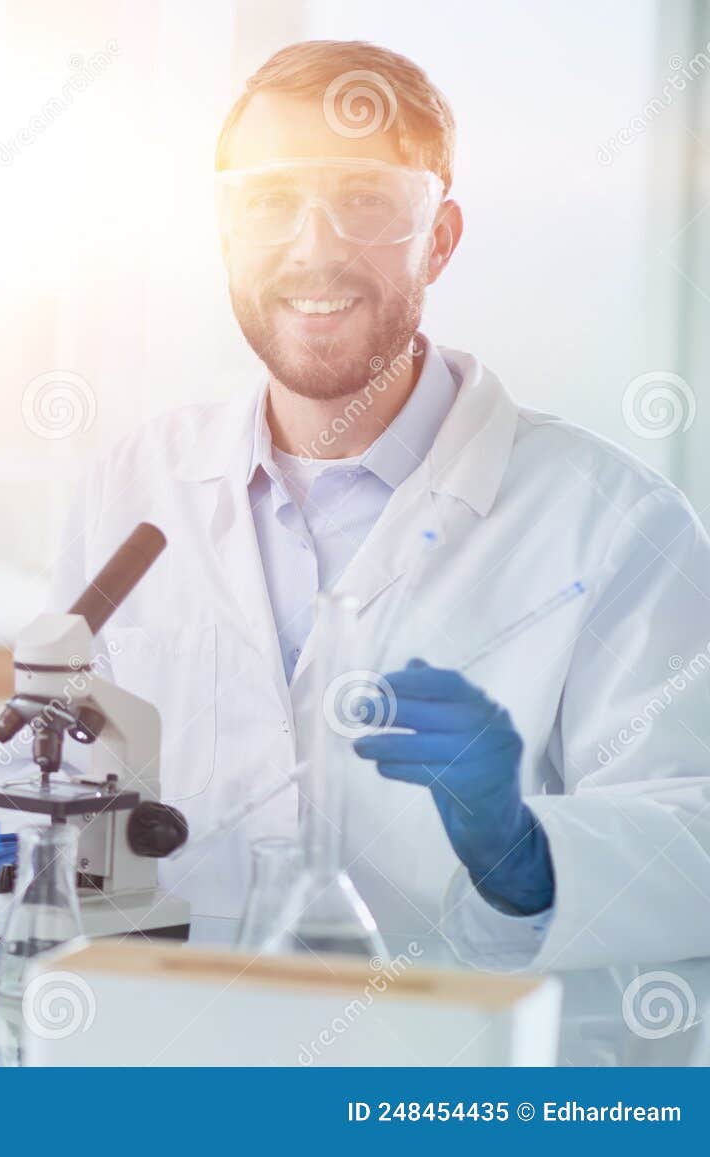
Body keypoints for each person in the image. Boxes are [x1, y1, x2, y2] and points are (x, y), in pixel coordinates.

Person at [46, 40, 710, 969]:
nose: (312, 249)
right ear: (228, 234)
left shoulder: (616, 521)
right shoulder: (132, 484)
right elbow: (67, 778)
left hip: (446, 1087)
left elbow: (694, 848)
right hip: (170, 1053)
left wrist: (521, 850)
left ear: (438, 238)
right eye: (271, 204)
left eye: (364, 203)